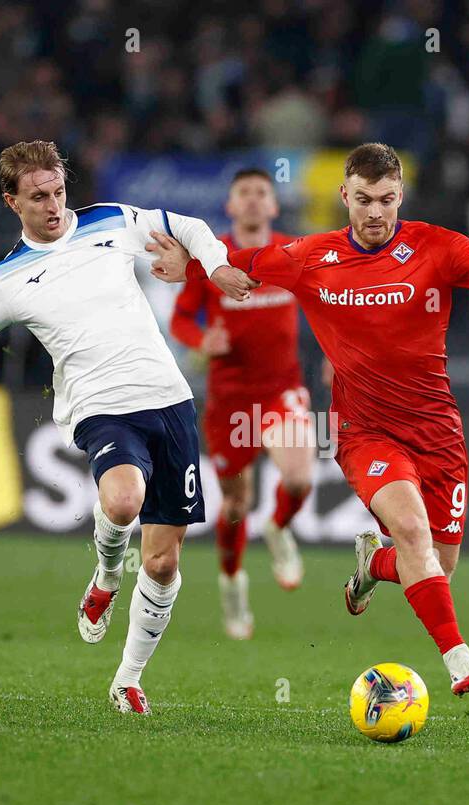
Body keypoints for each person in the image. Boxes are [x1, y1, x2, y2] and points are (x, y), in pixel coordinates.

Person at [149, 142, 469, 697]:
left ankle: (372, 566)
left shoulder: (438, 248)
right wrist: (192, 263)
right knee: (413, 529)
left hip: (439, 435)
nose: (376, 212)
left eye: (387, 200)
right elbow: (236, 264)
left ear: (401, 196)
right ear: (344, 196)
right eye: (365, 200)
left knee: (437, 567)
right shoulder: (310, 256)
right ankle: (459, 661)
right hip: (366, 433)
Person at [0, 140, 255, 715]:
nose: (54, 206)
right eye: (38, 197)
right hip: (99, 406)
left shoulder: (109, 220)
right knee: (124, 500)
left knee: (161, 563)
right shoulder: (5, 280)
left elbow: (187, 223)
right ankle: (106, 572)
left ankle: (127, 678)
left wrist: (215, 262)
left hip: (169, 399)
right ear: (12, 201)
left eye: (57, 191)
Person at [168, 168, 313, 639]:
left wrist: (339, 353)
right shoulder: (214, 258)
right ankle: (233, 582)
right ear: (230, 207)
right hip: (229, 399)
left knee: (299, 476)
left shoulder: (293, 252)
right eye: (244, 194)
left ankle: (278, 528)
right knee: (235, 501)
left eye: (261, 193)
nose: (253, 200)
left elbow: (328, 301)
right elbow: (182, 317)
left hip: (280, 388)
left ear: (274, 206)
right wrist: (200, 340)